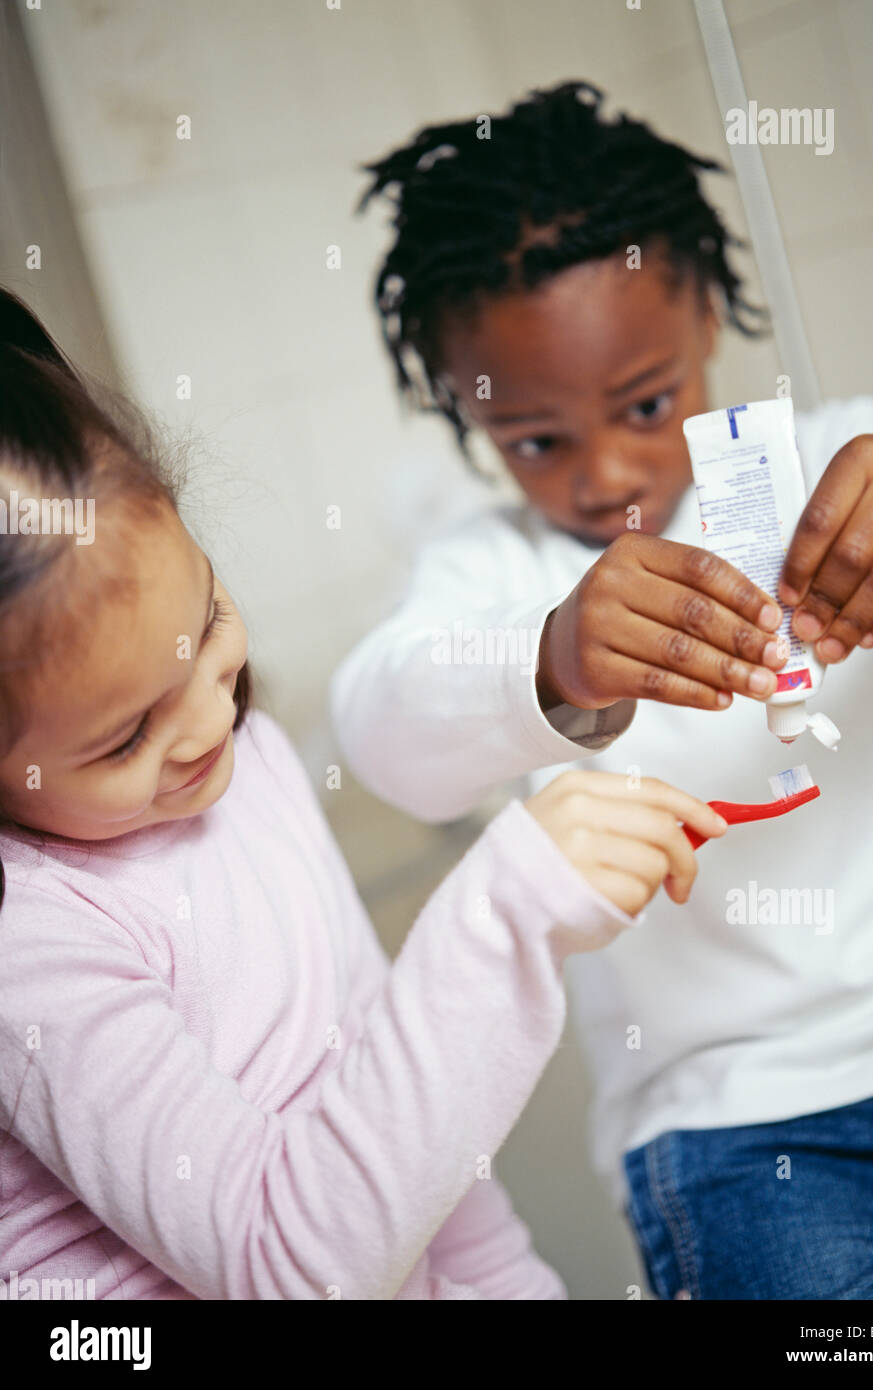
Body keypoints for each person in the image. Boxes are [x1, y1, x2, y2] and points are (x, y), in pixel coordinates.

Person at [332, 81, 873, 1299]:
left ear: (707, 323)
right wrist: (549, 652)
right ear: (466, 415)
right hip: (744, 1127)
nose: (609, 471)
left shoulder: (834, 458)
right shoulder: (492, 575)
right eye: (534, 439)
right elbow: (383, 732)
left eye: (641, 403)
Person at [0, 286, 728, 1300]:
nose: (210, 725)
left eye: (207, 625)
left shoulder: (248, 762)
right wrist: (502, 912)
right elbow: (283, 1269)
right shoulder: (30, 949)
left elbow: (399, 1116)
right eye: (126, 734)